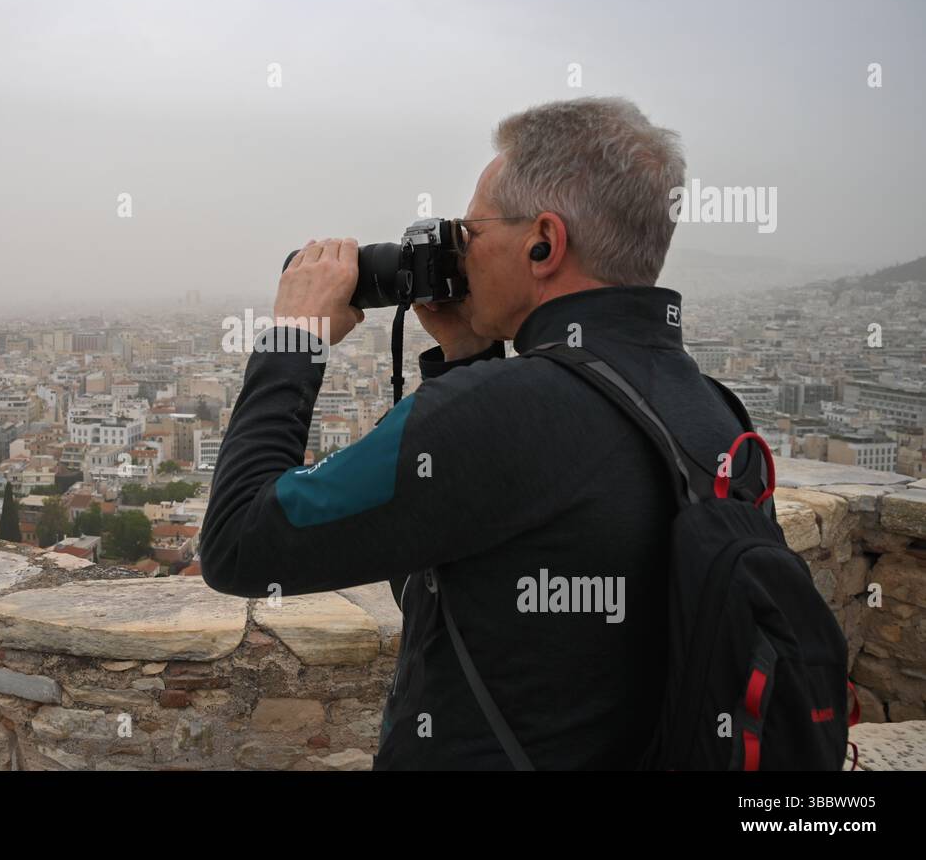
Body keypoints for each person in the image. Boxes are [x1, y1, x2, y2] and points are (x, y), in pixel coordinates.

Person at [199, 97, 768, 769]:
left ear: (544, 243)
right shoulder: (715, 411)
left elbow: (239, 543)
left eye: (469, 234)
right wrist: (465, 360)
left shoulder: (503, 412)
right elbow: (447, 578)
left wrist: (295, 339)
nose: (459, 255)